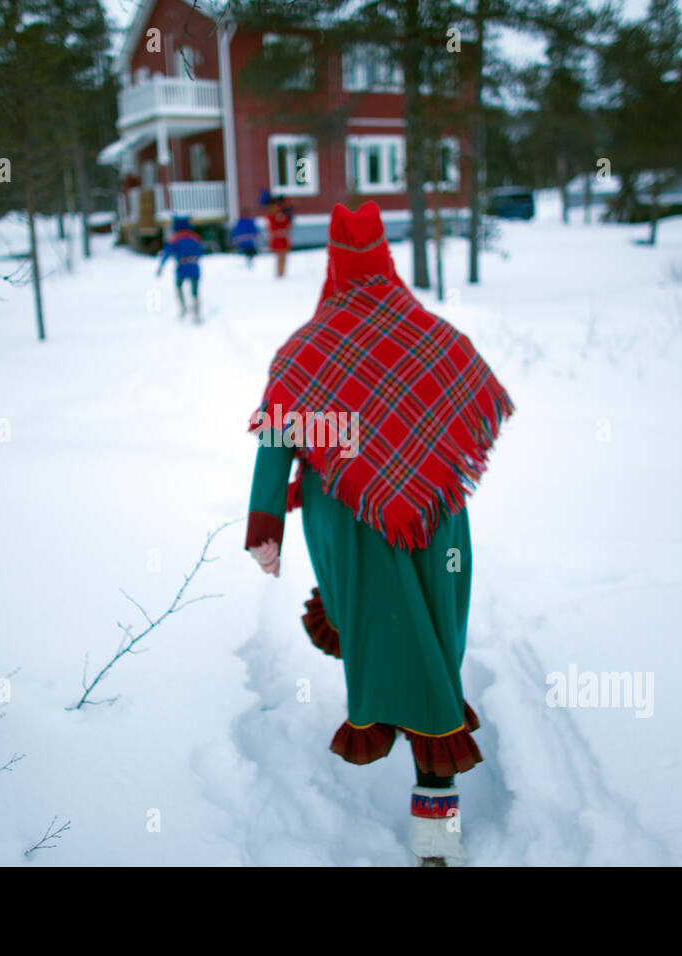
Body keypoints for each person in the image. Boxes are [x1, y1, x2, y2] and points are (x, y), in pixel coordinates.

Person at [243, 201, 514, 866]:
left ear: (333, 262)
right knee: (434, 663)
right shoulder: (436, 337)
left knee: (393, 644)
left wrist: (265, 526)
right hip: (437, 523)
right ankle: (436, 843)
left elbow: (275, 446)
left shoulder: (305, 350)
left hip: (352, 527)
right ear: (388, 262)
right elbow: (477, 402)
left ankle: (433, 835)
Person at [156, 215, 203, 322]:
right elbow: (200, 252)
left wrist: (161, 267)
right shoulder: (195, 237)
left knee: (178, 286)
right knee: (195, 290)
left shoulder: (175, 238)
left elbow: (166, 253)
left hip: (182, 267)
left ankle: (183, 308)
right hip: (194, 266)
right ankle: (197, 313)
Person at [265, 196, 293, 278]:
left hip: (282, 238)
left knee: (283, 256)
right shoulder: (273, 215)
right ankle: (280, 273)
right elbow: (273, 227)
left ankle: (281, 273)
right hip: (278, 239)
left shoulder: (282, 214)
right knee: (280, 256)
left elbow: (287, 224)